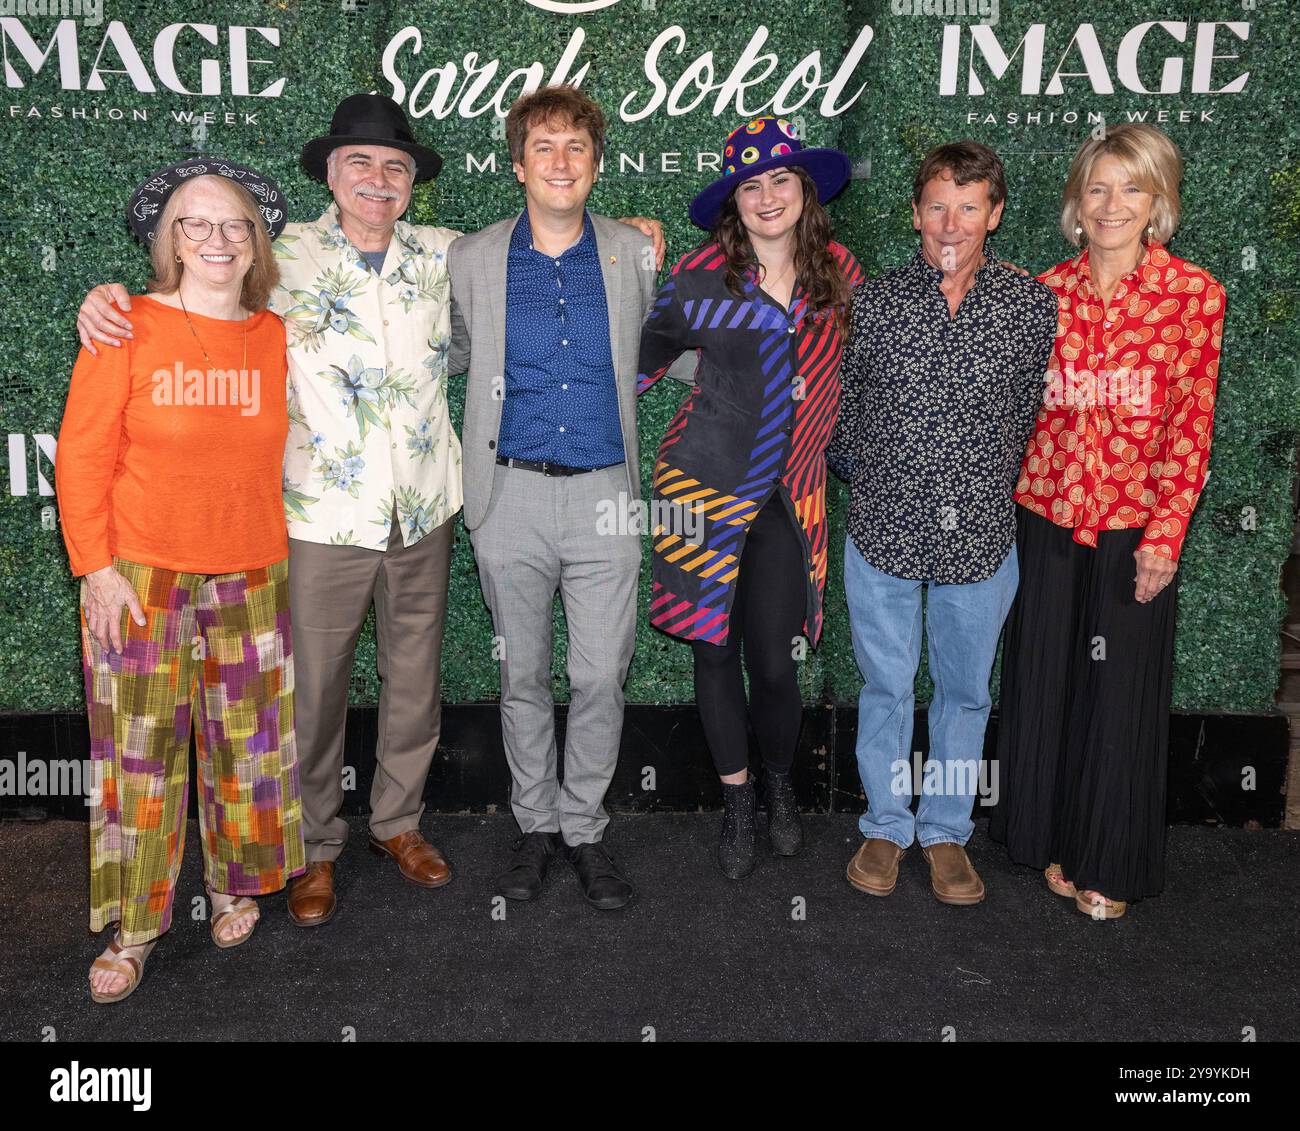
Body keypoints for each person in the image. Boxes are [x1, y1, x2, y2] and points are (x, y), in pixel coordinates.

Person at [78, 97, 665, 925]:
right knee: (312, 694)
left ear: (413, 184)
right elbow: (193, 300)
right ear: (330, 174)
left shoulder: (447, 255)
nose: (377, 181)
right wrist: (110, 301)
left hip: (424, 505)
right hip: (323, 515)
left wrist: (631, 236)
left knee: (416, 687)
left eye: (394, 168)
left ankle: (396, 823)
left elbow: (571, 281)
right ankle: (315, 847)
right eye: (359, 164)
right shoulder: (276, 259)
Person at [57, 160, 302, 1002]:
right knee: (140, 759)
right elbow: (83, 456)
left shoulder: (274, 333)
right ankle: (135, 925)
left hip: (252, 569)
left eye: (234, 224)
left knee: (247, 748)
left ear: (255, 240)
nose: (216, 239)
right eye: (194, 224)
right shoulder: (125, 325)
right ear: (168, 240)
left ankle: (230, 882)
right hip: (141, 575)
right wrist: (94, 569)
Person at [990, 124, 1226, 920]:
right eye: (1097, 188)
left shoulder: (1194, 296)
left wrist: (1166, 536)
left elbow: (1191, 426)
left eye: (1132, 188)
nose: (1112, 204)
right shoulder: (1042, 293)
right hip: (1046, 517)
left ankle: (1109, 859)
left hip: (1134, 527)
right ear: (1076, 203)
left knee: (1118, 694)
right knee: (1048, 683)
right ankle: (1051, 836)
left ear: (1158, 202)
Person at [827, 141, 1058, 906]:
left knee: (965, 692)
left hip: (983, 538)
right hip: (884, 530)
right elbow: (849, 409)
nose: (950, 222)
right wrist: (877, 479)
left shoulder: (1032, 306)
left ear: (994, 214)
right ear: (916, 213)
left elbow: (1036, 413)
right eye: (936, 205)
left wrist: (984, 482)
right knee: (886, 686)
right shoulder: (880, 300)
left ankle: (948, 831)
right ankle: (888, 824)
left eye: (968, 206)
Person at [447, 85, 659, 910]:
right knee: (524, 674)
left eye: (576, 147)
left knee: (601, 673)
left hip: (609, 494)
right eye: (544, 147)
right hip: (510, 499)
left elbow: (669, 348)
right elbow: (451, 352)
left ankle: (585, 827)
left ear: (597, 164)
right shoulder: (471, 257)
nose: (561, 162)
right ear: (517, 164)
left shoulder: (634, 253)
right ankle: (535, 824)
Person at [637, 116, 863, 878]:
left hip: (789, 500)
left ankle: (778, 787)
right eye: (751, 184)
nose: (768, 196)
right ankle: (736, 803)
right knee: (711, 647)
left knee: (775, 661)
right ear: (735, 200)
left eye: (781, 180)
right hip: (699, 486)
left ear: (805, 190)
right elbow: (640, 359)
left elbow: (858, 381)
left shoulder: (844, 274)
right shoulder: (699, 277)